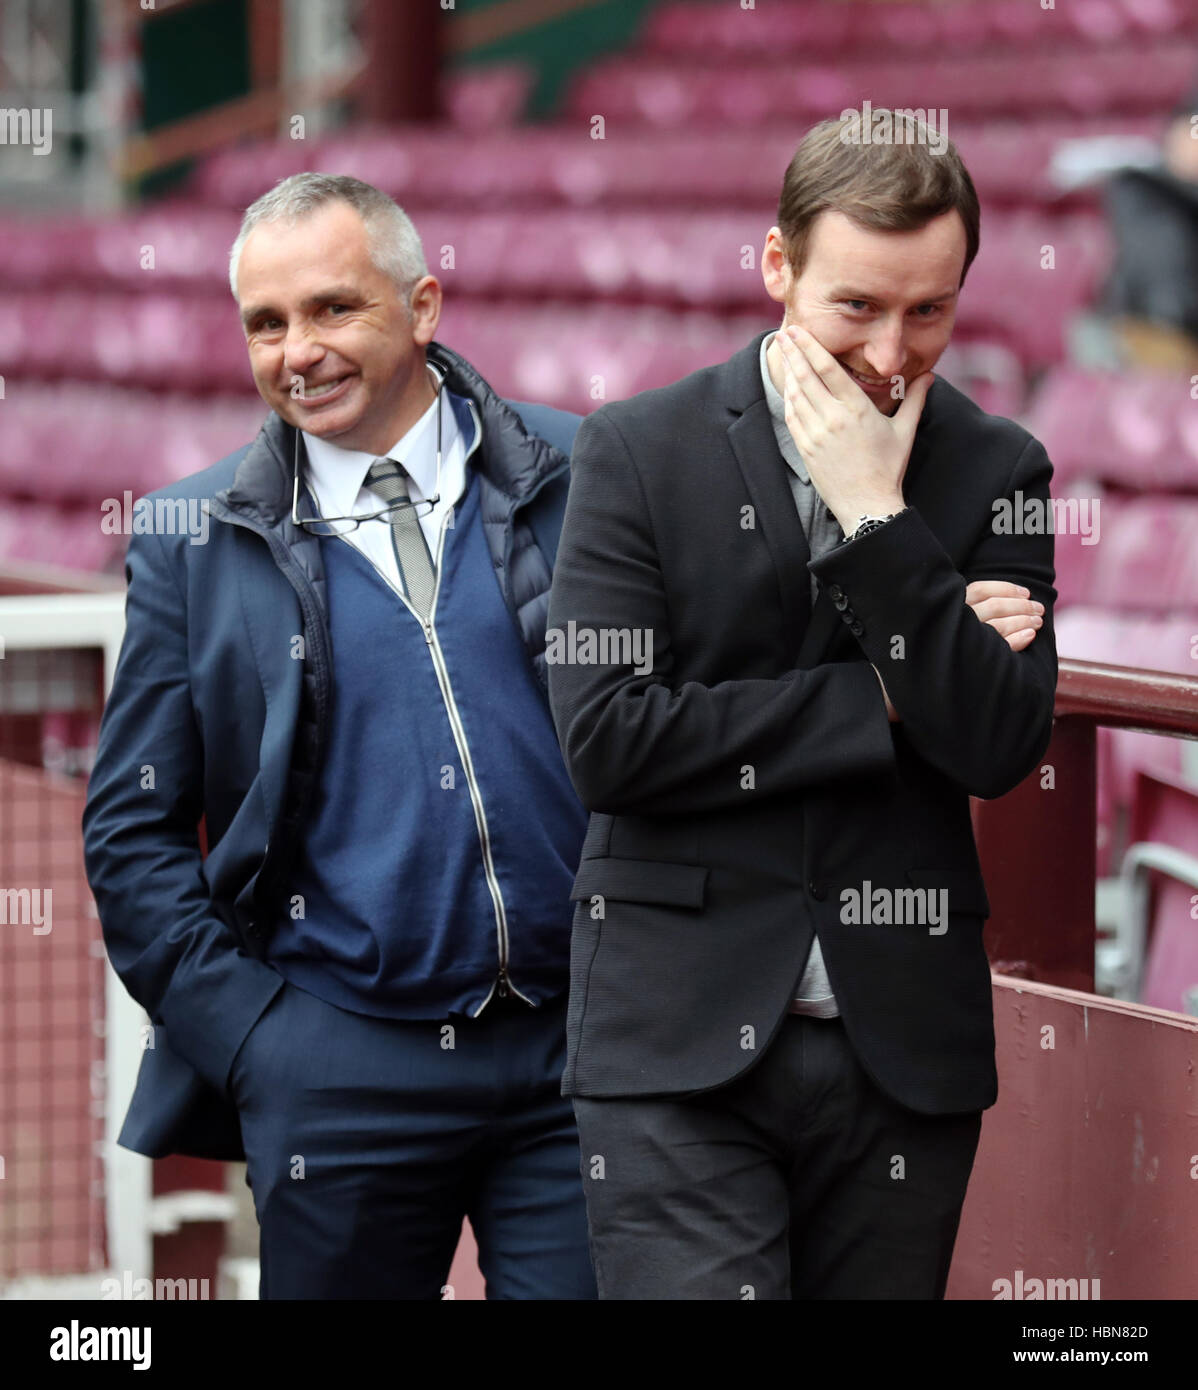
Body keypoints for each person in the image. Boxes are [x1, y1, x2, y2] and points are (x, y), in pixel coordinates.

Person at [546, 111, 1058, 1300]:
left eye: (928, 312)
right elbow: (608, 738)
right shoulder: (634, 449)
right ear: (777, 267)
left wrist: (877, 521)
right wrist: (880, 694)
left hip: (900, 1057)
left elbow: (995, 740)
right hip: (673, 1046)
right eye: (856, 308)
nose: (889, 352)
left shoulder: (1001, 469)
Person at [82, 174, 596, 1300]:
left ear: (421, 306)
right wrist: (262, 1041)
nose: (296, 350)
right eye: (266, 324)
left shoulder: (588, 473)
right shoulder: (192, 537)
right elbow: (131, 830)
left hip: (583, 1053)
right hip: (340, 1066)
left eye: (330, 309)